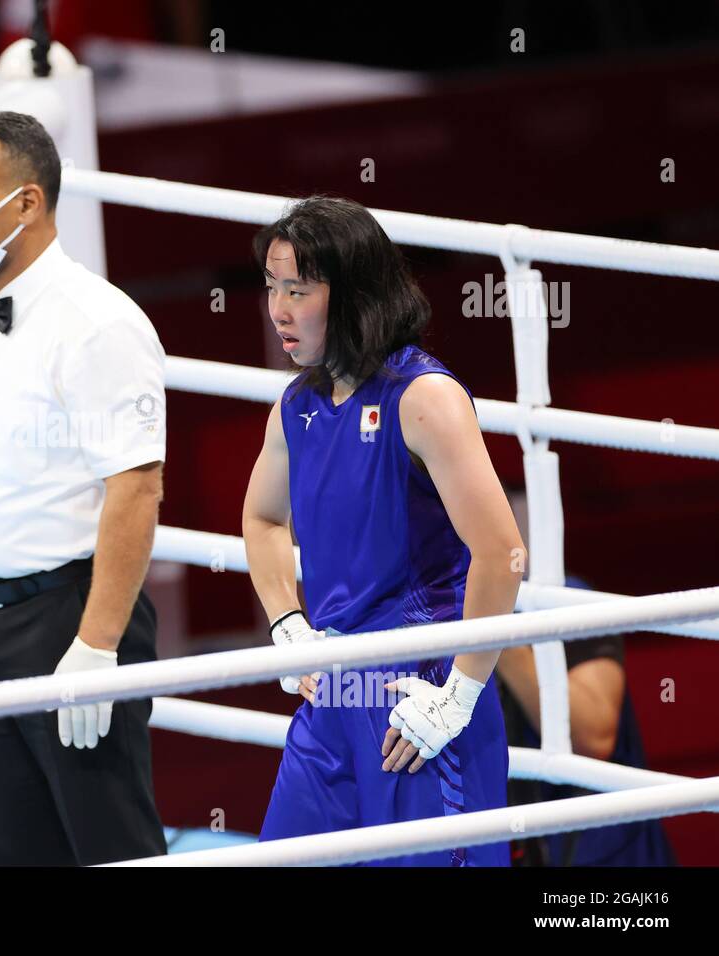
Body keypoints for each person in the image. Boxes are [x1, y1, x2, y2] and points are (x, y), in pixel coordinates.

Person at [0, 111, 168, 866]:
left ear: (26, 203)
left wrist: (96, 646)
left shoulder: (97, 323)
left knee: (111, 848)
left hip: (72, 616)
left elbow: (137, 488)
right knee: (22, 854)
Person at [242, 196, 523, 866]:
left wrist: (460, 695)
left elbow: (502, 555)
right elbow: (261, 517)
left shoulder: (424, 399)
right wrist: (289, 625)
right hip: (334, 691)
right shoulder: (296, 408)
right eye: (272, 288)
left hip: (419, 694)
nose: (278, 309)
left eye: (298, 290)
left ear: (354, 295)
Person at [496, 492, 675, 865]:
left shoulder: (567, 600)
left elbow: (593, 736)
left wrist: (491, 632)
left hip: (602, 856)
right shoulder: (424, 612)